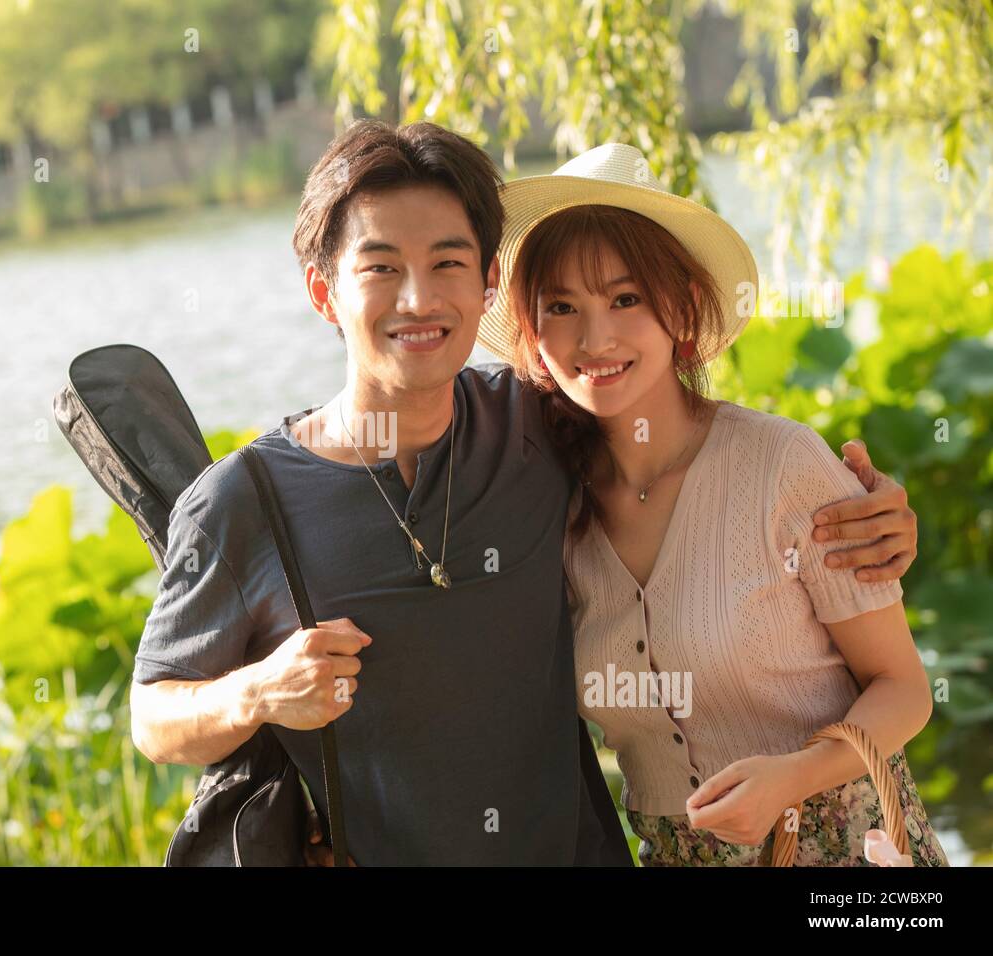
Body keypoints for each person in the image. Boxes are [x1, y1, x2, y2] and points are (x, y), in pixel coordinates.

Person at [129, 122, 919, 865]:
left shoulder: (533, 423)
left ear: (486, 281)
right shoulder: (241, 499)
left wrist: (876, 511)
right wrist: (259, 690)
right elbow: (154, 718)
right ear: (323, 291)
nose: (418, 299)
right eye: (380, 267)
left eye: (447, 262)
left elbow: (677, 431)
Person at [477, 142, 946, 866]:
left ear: (683, 306)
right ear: (534, 334)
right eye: (561, 307)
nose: (593, 337)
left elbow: (906, 690)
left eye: (625, 299)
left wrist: (795, 775)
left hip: (847, 846)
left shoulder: (780, 464)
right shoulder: (546, 501)